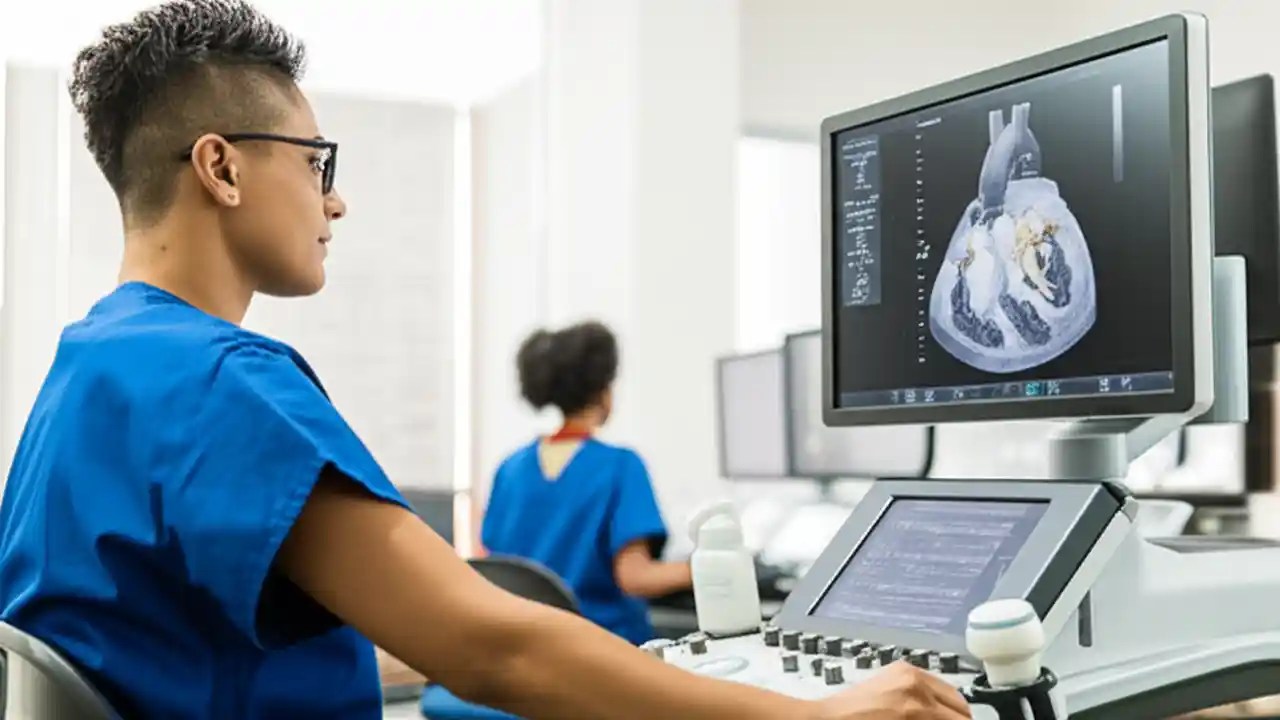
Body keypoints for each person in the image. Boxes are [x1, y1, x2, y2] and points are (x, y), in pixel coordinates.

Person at [0, 2, 971, 719]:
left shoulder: (87, 369)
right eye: (314, 162)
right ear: (221, 167)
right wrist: (812, 714)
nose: (334, 200)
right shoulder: (221, 382)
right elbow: (491, 648)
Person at [481, 322, 692, 646]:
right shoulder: (620, 466)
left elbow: (495, 570)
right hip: (602, 654)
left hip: (527, 654)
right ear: (602, 392)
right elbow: (635, 577)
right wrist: (711, 566)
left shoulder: (509, 469)